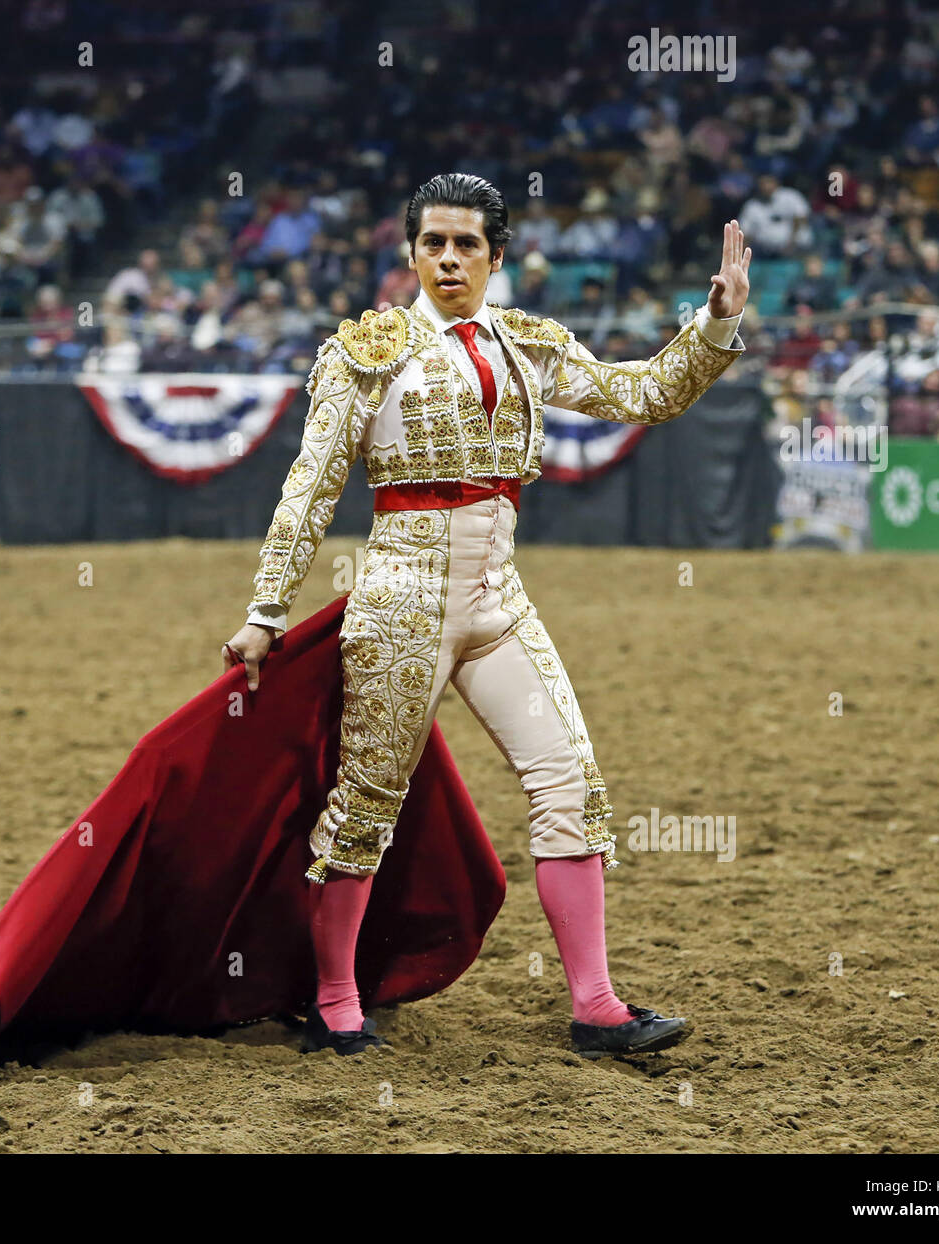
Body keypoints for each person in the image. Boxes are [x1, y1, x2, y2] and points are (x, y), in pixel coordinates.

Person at [222, 173, 751, 1058]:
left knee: (569, 781)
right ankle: (335, 998)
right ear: (411, 252)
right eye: (432, 243)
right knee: (367, 803)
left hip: (498, 601)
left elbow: (643, 395)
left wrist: (716, 324)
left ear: (496, 256)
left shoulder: (528, 345)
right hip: (401, 603)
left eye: (466, 244)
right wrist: (265, 611)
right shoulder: (366, 352)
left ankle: (595, 1005)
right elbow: (310, 486)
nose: (448, 259)